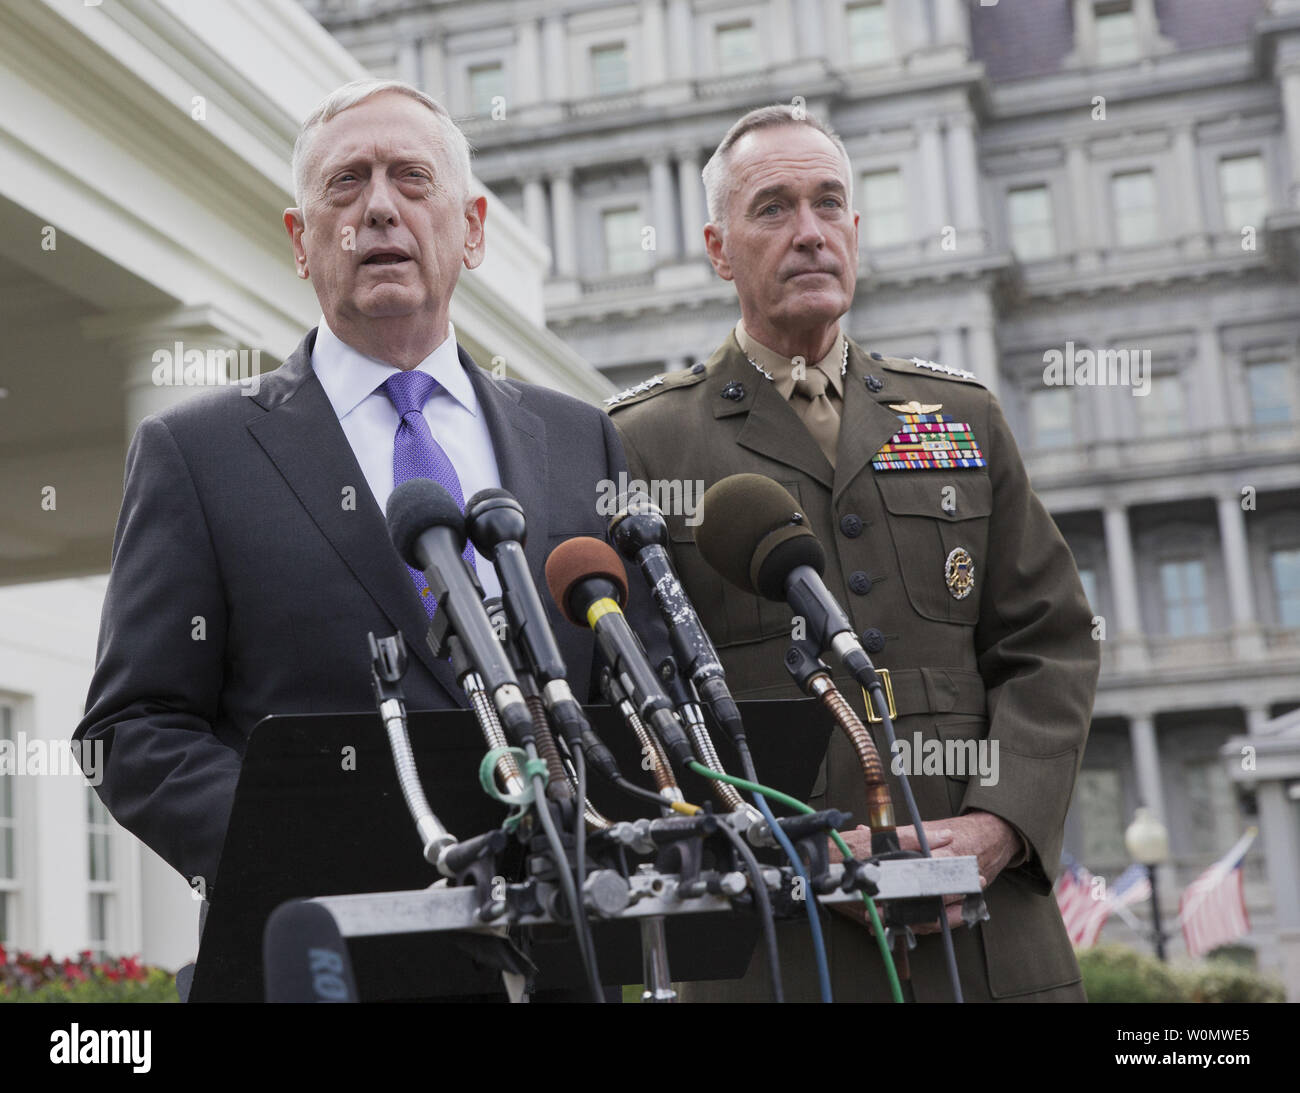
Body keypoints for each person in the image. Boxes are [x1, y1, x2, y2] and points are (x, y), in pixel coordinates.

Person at [75, 81, 639, 939]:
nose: (379, 208)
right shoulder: (196, 453)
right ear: (301, 242)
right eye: (346, 183)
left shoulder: (580, 439)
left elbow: (635, 691)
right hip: (317, 953)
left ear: (473, 227)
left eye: (412, 178)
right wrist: (308, 847)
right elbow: (129, 729)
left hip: (554, 944)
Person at [608, 105, 1100, 1002]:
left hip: (985, 939)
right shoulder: (646, 444)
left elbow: (1050, 641)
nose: (809, 233)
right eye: (774, 209)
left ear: (856, 232)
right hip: (779, 945)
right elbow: (637, 704)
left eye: (829, 204)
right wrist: (783, 844)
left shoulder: (958, 418)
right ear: (720, 250)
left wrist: (1001, 822)